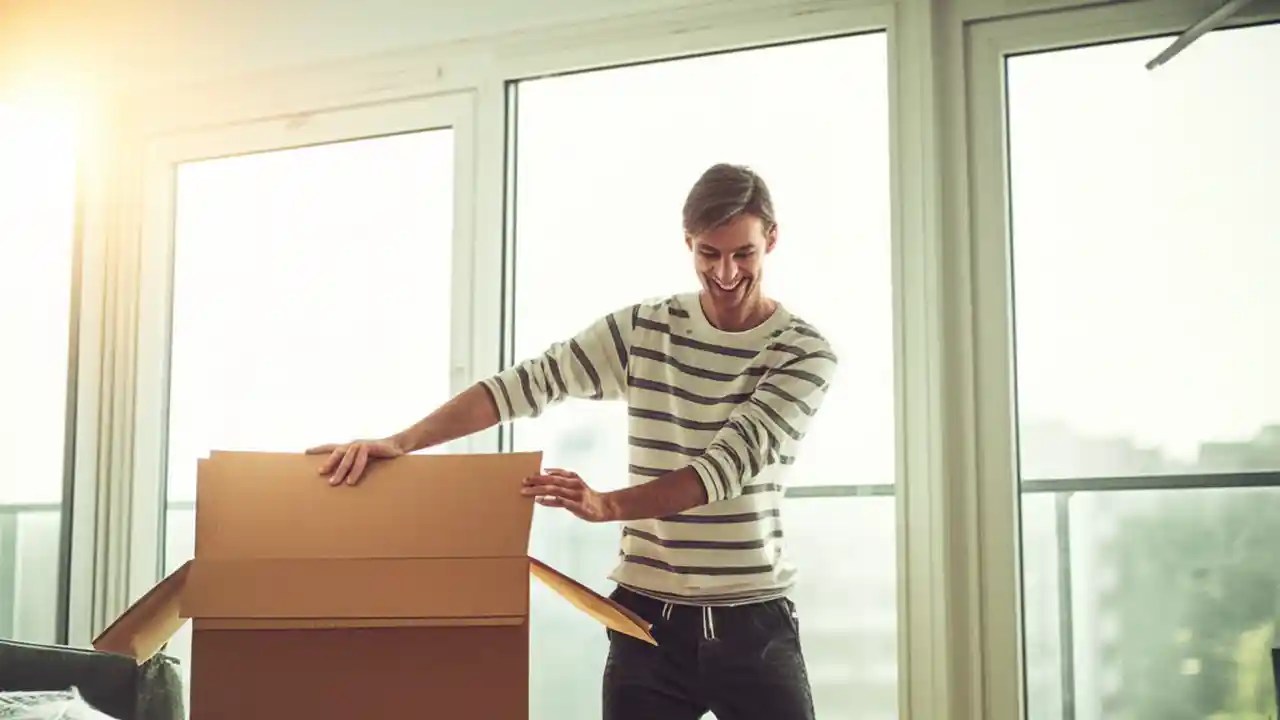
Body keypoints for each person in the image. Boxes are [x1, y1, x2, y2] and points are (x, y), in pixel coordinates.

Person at [307, 163, 837, 720]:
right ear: (688, 244)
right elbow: (530, 382)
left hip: (752, 625)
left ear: (770, 240)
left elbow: (725, 468)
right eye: (709, 254)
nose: (726, 272)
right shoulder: (646, 329)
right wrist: (403, 440)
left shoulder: (803, 352)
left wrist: (606, 505)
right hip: (646, 625)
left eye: (743, 254)